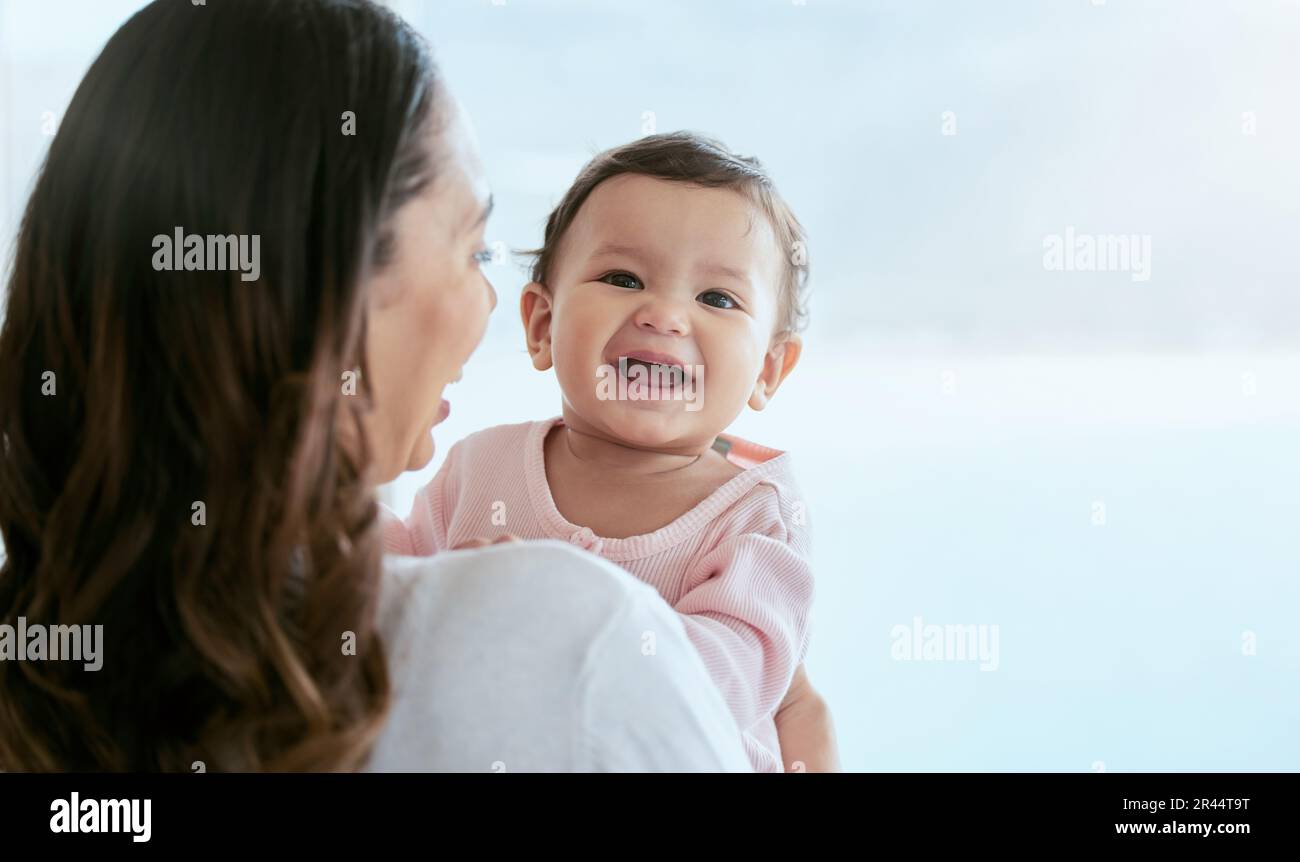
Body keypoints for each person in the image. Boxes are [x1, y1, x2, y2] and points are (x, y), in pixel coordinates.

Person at [0, 0, 834, 772]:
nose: (663, 316)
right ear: (323, 285)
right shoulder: (564, 630)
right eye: (473, 250)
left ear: (771, 366)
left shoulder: (71, 647)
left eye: (717, 298)